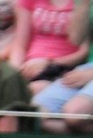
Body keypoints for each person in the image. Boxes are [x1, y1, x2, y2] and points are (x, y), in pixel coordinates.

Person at [32, 0, 93, 131]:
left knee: (74, 114)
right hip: (88, 67)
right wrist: (84, 5)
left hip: (90, 73)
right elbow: (76, 39)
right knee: (37, 115)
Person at [11, 0, 88, 91]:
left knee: (31, 90)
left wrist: (49, 62)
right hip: (31, 64)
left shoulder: (83, 2)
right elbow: (20, 45)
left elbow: (84, 52)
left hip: (63, 66)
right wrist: (14, 72)